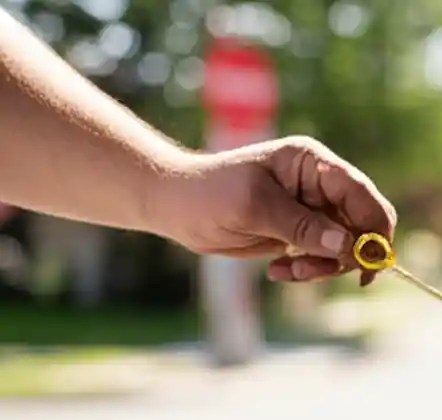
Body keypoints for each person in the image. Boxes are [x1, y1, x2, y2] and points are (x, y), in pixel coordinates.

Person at [0, 10, 395, 286]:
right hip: (227, 145)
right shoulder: (228, 62)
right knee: (237, 266)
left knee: (247, 261)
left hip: (236, 147)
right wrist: (173, 184)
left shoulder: (243, 62)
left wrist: (172, 187)